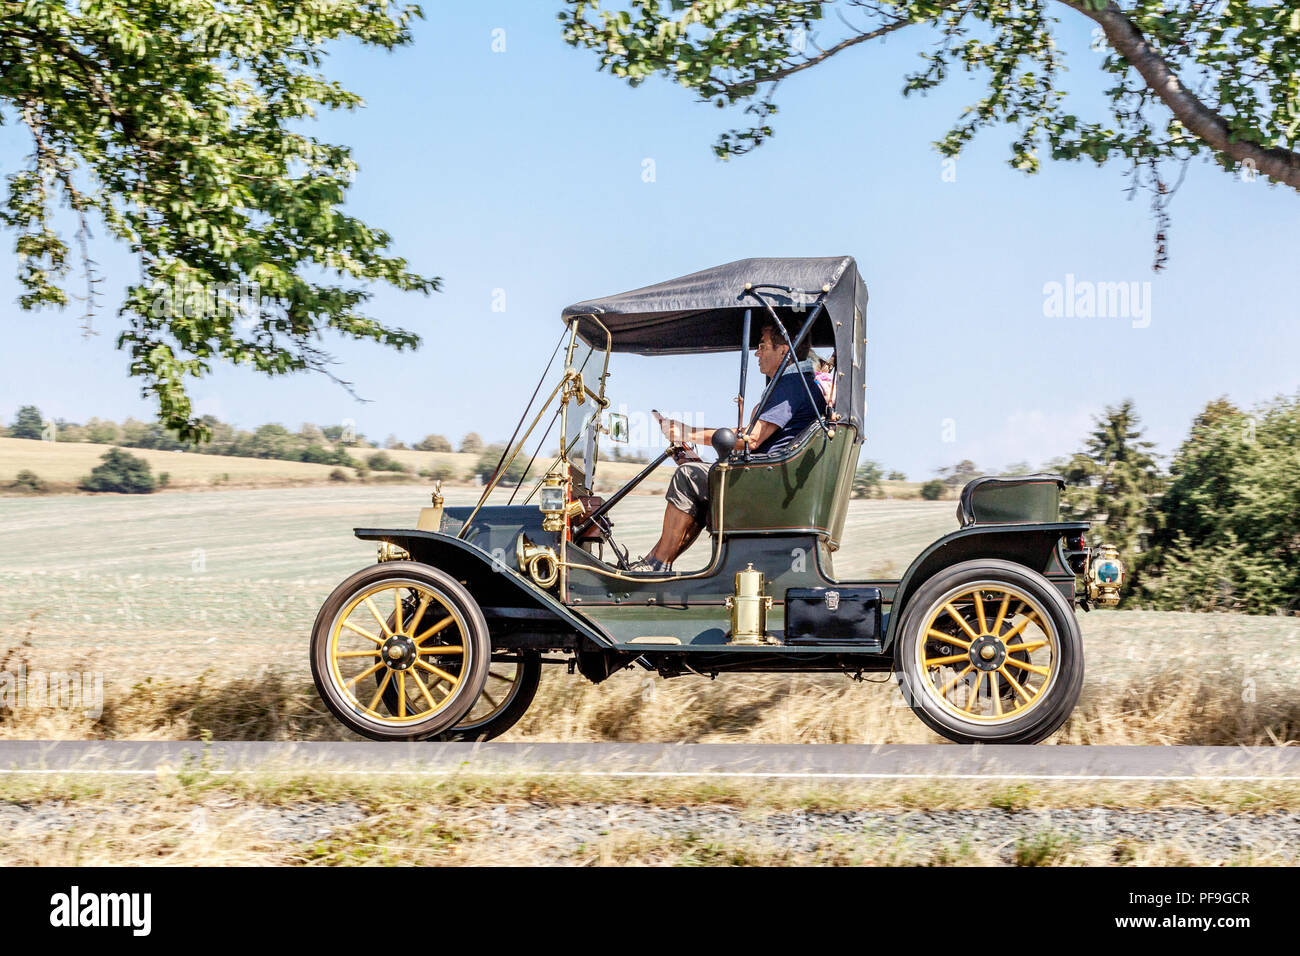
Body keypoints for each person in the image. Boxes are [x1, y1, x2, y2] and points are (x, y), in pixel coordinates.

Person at [628, 320, 827, 572]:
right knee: (697, 475)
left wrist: (688, 432)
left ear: (784, 351)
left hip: (766, 487)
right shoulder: (799, 384)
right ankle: (653, 562)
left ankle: (656, 564)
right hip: (767, 481)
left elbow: (751, 438)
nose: (757, 353)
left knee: (688, 476)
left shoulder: (793, 385)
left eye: (762, 346)